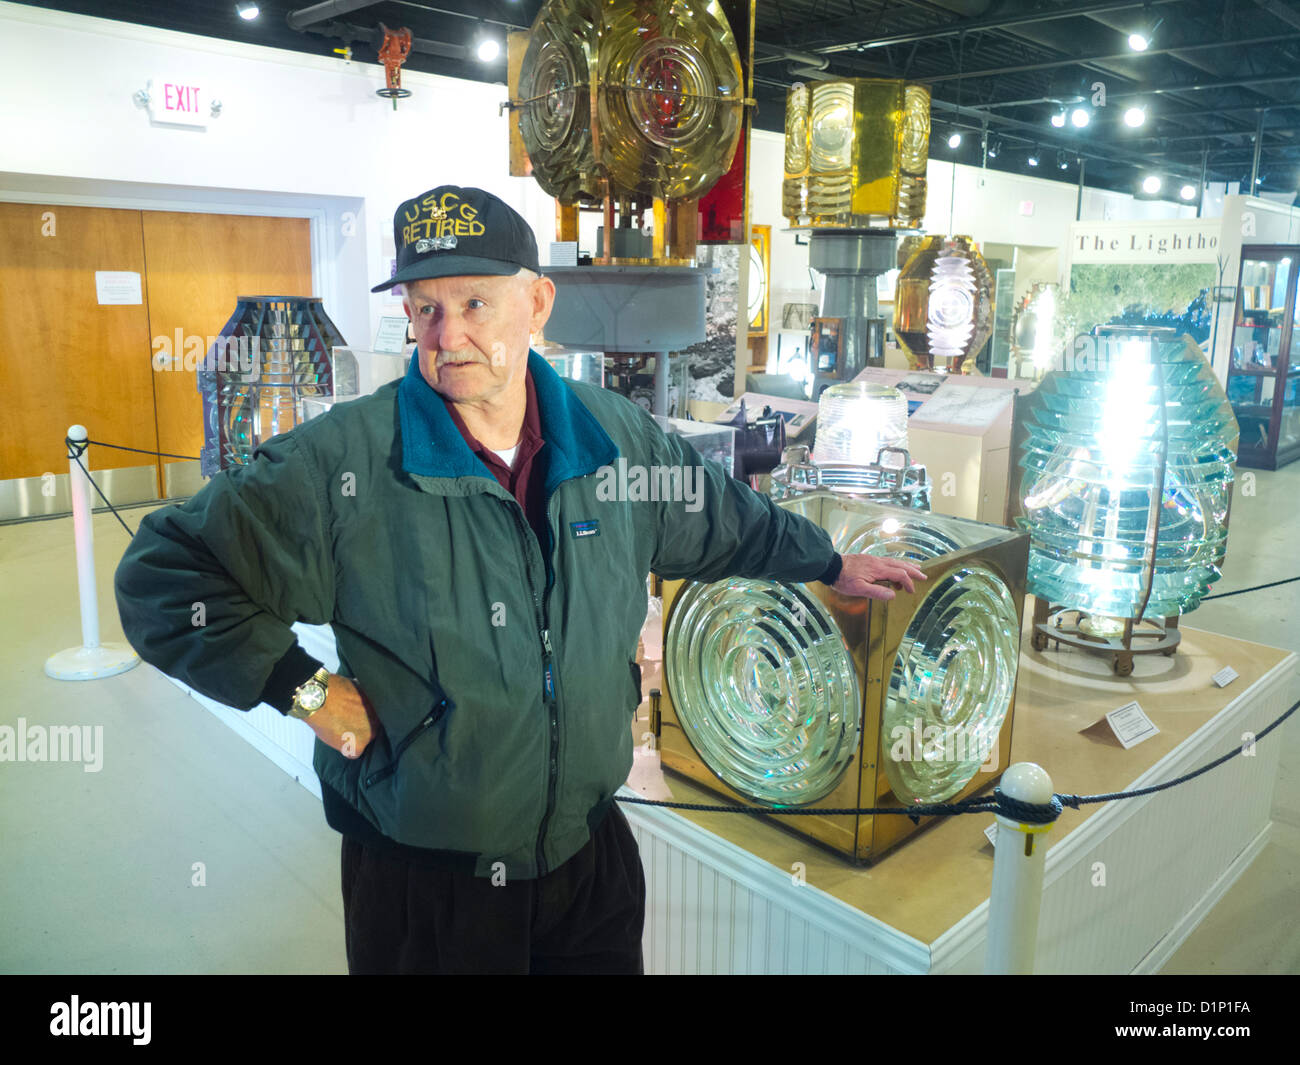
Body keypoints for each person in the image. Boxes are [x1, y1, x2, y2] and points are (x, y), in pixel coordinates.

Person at [114, 185, 926, 975]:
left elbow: (719, 516)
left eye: (475, 303)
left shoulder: (613, 437)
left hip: (586, 857)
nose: (448, 334)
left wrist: (827, 561)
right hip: (427, 886)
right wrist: (304, 689)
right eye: (425, 306)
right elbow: (162, 574)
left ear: (537, 303)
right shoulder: (344, 462)